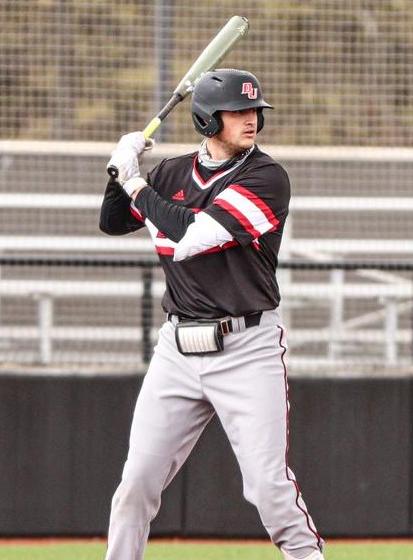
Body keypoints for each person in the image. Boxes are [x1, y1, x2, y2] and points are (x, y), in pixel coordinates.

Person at [100, 69, 325, 560]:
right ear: (206, 119)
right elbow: (113, 223)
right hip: (177, 350)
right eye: (238, 112)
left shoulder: (266, 177)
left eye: (254, 112)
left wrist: (136, 184)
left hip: (247, 348)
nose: (251, 120)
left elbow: (194, 235)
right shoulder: (171, 174)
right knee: (135, 484)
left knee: (268, 490)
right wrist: (118, 172)